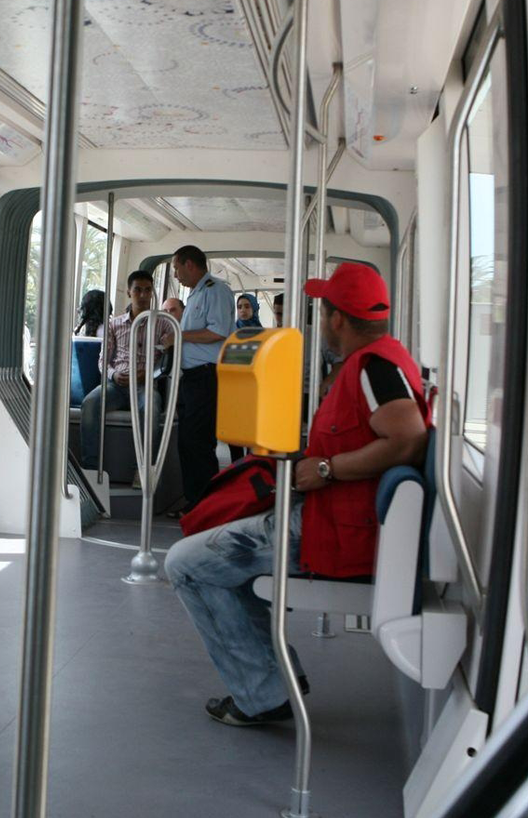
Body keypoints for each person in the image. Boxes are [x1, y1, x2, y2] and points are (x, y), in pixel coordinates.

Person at [164, 263, 429, 726]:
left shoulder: (376, 370)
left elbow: (408, 438)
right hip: (336, 515)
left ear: (337, 319)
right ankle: (272, 679)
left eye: (322, 313)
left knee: (185, 563)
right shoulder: (384, 360)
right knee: (218, 536)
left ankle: (261, 694)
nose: (320, 322)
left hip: (334, 530)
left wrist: (327, 468)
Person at [79, 270, 175, 470]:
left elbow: (167, 361)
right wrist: (113, 374)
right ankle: (90, 468)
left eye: (147, 290)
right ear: (129, 292)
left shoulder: (164, 324)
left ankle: (143, 471)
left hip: (145, 386)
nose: (143, 295)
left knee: (151, 408)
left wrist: (147, 374)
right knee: (89, 404)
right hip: (116, 385)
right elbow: (103, 360)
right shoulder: (114, 325)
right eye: (138, 290)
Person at [168, 246, 234, 508]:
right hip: (191, 377)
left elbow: (218, 331)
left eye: (177, 268)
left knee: (199, 442)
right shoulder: (195, 294)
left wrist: (179, 335)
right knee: (187, 441)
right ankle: (194, 500)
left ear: (190, 265)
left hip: (207, 376)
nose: (176, 275)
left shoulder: (215, 291)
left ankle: (205, 504)